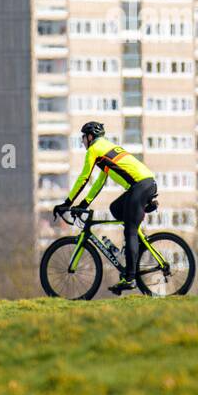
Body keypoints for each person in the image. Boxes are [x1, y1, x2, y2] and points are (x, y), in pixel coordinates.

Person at [54, 122, 158, 295]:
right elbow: (100, 182)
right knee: (115, 208)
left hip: (140, 186)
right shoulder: (106, 149)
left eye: (83, 138)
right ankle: (134, 248)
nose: (82, 141)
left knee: (130, 230)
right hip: (145, 184)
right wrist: (84, 204)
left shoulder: (94, 149)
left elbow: (84, 178)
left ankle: (130, 278)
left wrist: (67, 202)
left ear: (90, 137)